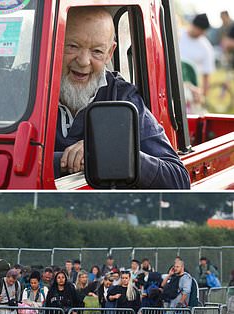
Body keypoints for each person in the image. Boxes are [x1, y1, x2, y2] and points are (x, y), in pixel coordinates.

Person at [55, 7, 189, 188]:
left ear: (110, 53)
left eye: (97, 51)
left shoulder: (122, 96)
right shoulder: (25, 88)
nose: (84, 61)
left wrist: (110, 152)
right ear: (55, 41)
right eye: (73, 46)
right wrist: (70, 160)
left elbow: (177, 179)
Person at [179, 14, 215, 100]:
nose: (201, 32)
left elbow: (206, 74)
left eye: (203, 30)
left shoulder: (206, 47)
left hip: (191, 88)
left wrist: (203, 95)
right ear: (193, 25)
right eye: (199, 29)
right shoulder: (177, 34)